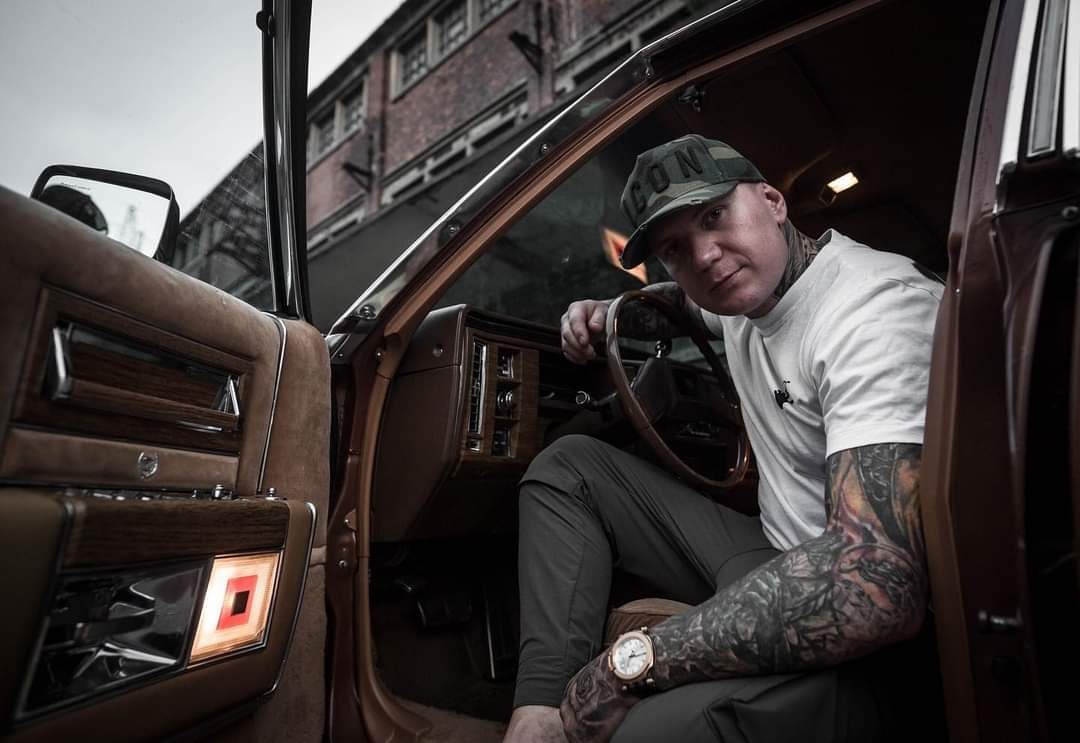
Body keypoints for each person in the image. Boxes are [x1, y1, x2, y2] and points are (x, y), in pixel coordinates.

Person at [503, 135, 943, 743]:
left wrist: (628, 668)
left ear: (772, 202)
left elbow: (873, 586)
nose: (705, 256)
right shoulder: (743, 292)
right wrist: (611, 312)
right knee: (570, 469)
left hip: (874, 630)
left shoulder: (874, 313)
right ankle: (539, 713)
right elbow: (684, 306)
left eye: (714, 217)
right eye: (675, 249)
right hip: (776, 548)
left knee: (643, 734)